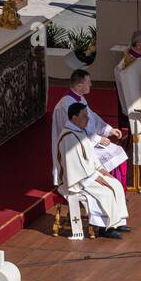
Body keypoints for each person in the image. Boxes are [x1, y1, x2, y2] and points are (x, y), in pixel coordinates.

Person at [56, 102, 131, 239]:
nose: (88, 119)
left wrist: (102, 171)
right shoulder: (68, 138)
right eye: (84, 116)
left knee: (116, 184)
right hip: (77, 180)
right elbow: (75, 168)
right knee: (106, 192)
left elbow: (91, 156)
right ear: (74, 118)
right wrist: (96, 178)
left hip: (90, 173)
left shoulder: (80, 131)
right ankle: (105, 228)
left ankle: (117, 222)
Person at [51, 69, 127, 188]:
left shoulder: (79, 98)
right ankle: (108, 188)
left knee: (118, 152)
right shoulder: (66, 105)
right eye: (88, 82)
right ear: (79, 85)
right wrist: (98, 139)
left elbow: (93, 118)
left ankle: (116, 190)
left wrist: (108, 129)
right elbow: (74, 131)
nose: (91, 84)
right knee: (111, 156)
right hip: (75, 148)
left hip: (88, 142)